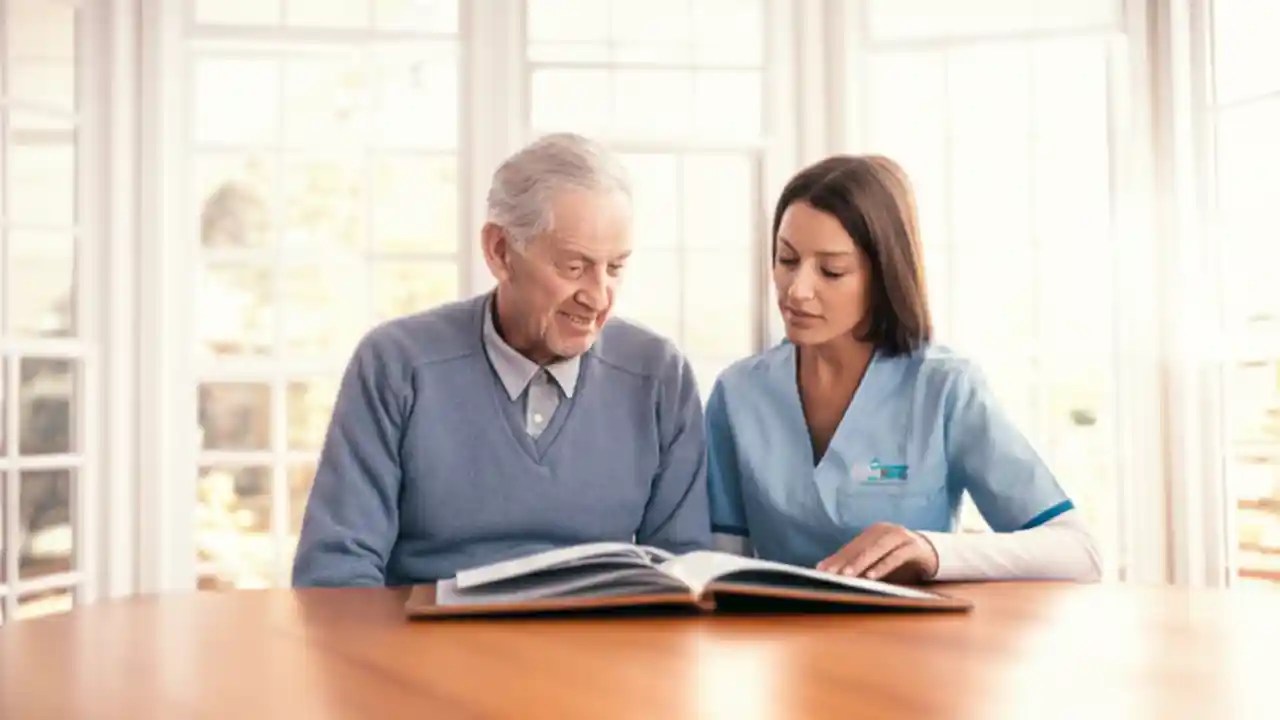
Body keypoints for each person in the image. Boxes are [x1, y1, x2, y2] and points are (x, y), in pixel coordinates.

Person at [293, 133, 710, 587]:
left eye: (615, 268)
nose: (597, 297)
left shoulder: (659, 376)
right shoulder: (397, 364)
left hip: (597, 654)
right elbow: (334, 574)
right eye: (573, 267)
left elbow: (681, 578)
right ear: (499, 251)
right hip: (423, 652)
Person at [705, 155, 1102, 583]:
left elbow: (1078, 552)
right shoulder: (739, 393)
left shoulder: (945, 387)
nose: (797, 290)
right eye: (787, 260)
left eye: (831, 270)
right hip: (777, 640)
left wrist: (933, 551)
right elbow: (718, 565)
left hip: (913, 647)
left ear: (884, 274)